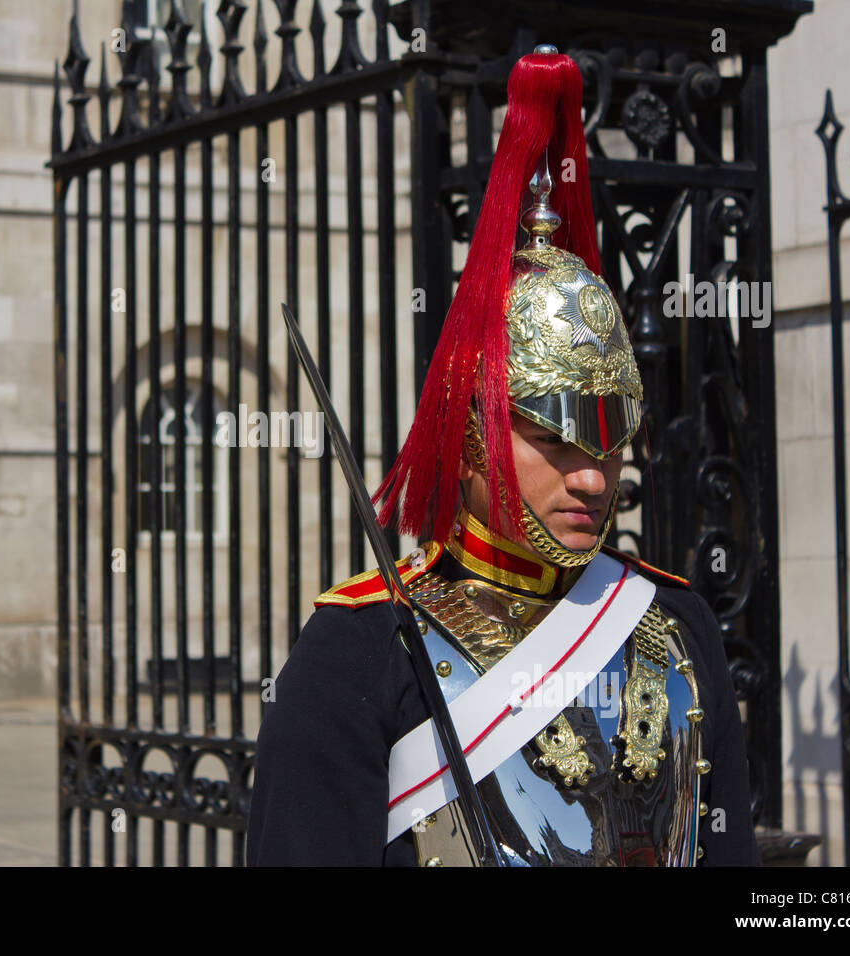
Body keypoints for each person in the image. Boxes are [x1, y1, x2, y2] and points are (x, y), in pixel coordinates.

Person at [246, 46, 758, 867]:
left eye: (610, 438)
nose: (593, 478)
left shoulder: (677, 624)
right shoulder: (362, 652)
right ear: (473, 432)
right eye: (553, 437)